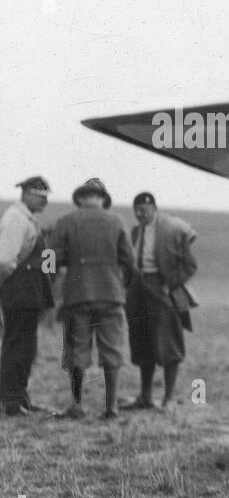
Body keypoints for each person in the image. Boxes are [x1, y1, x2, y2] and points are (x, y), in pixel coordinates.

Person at [47, 178, 134, 419]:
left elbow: (50, 258)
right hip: (111, 295)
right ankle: (111, 407)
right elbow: (131, 262)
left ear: (80, 198)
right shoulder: (117, 221)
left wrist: (64, 267)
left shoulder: (66, 221)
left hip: (78, 295)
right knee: (112, 351)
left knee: (76, 351)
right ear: (103, 199)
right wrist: (119, 285)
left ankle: (77, 406)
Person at [125, 192, 197, 410]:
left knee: (168, 343)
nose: (140, 214)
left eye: (144, 210)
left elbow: (190, 265)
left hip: (162, 289)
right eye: (137, 211)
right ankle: (145, 397)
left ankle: (168, 399)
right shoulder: (136, 231)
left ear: (154, 209)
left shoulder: (171, 230)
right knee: (141, 341)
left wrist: (171, 285)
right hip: (139, 288)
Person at [0, 176, 55, 416]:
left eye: (46, 197)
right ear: (26, 194)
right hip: (19, 292)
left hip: (27, 293)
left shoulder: (25, 218)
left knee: (25, 346)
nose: (44, 201)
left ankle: (20, 397)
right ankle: (12, 401)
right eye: (40, 196)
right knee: (17, 346)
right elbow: (4, 260)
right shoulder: (15, 219)